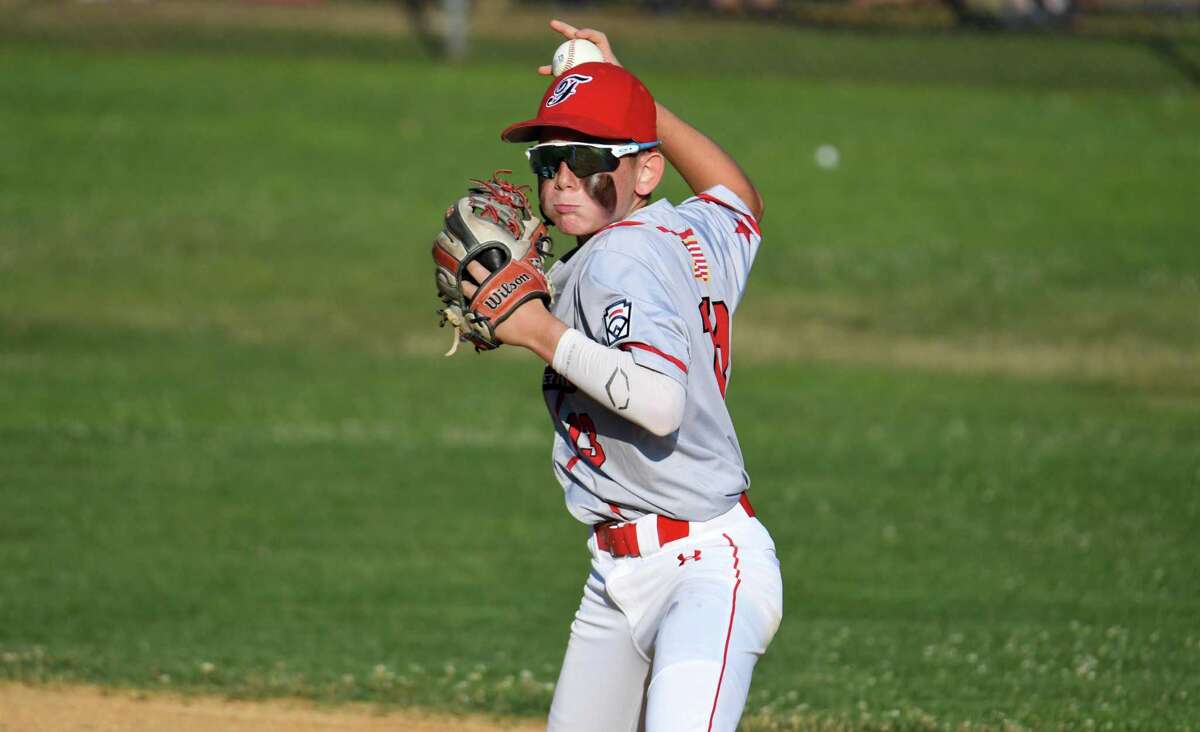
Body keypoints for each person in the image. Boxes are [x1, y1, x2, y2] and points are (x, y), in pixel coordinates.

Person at [463, 20, 783, 732]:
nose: (563, 179)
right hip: (621, 577)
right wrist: (630, 96)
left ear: (645, 172)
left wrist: (538, 332)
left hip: (703, 572)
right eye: (550, 160)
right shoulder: (684, 233)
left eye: (586, 158)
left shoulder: (617, 259)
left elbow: (660, 403)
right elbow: (739, 196)